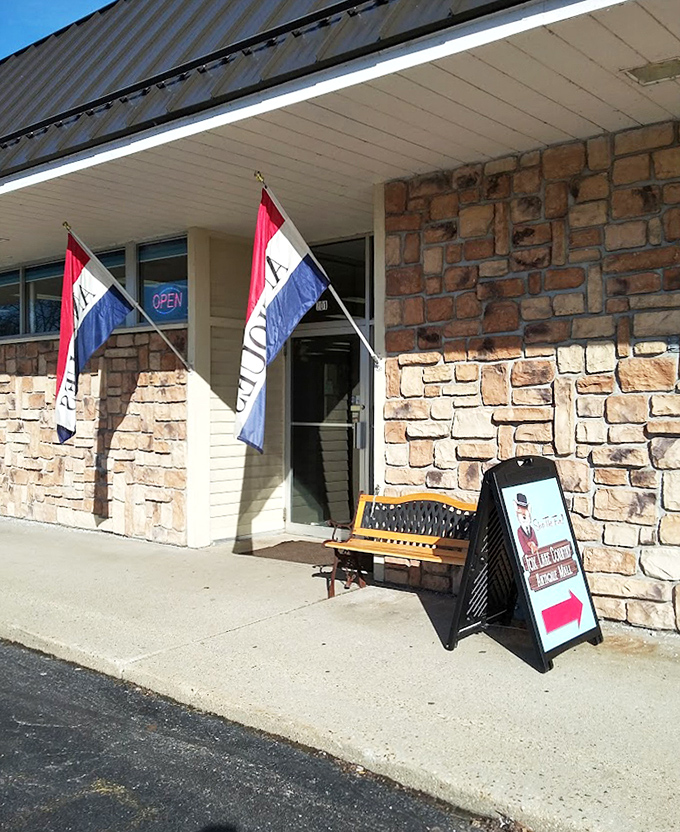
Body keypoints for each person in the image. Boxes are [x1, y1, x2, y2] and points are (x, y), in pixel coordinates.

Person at [515, 492, 538, 557]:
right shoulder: (519, 531)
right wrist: (530, 546)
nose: (524, 518)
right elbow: (523, 547)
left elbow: (536, 543)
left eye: (525, 515)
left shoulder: (531, 529)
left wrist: (533, 545)